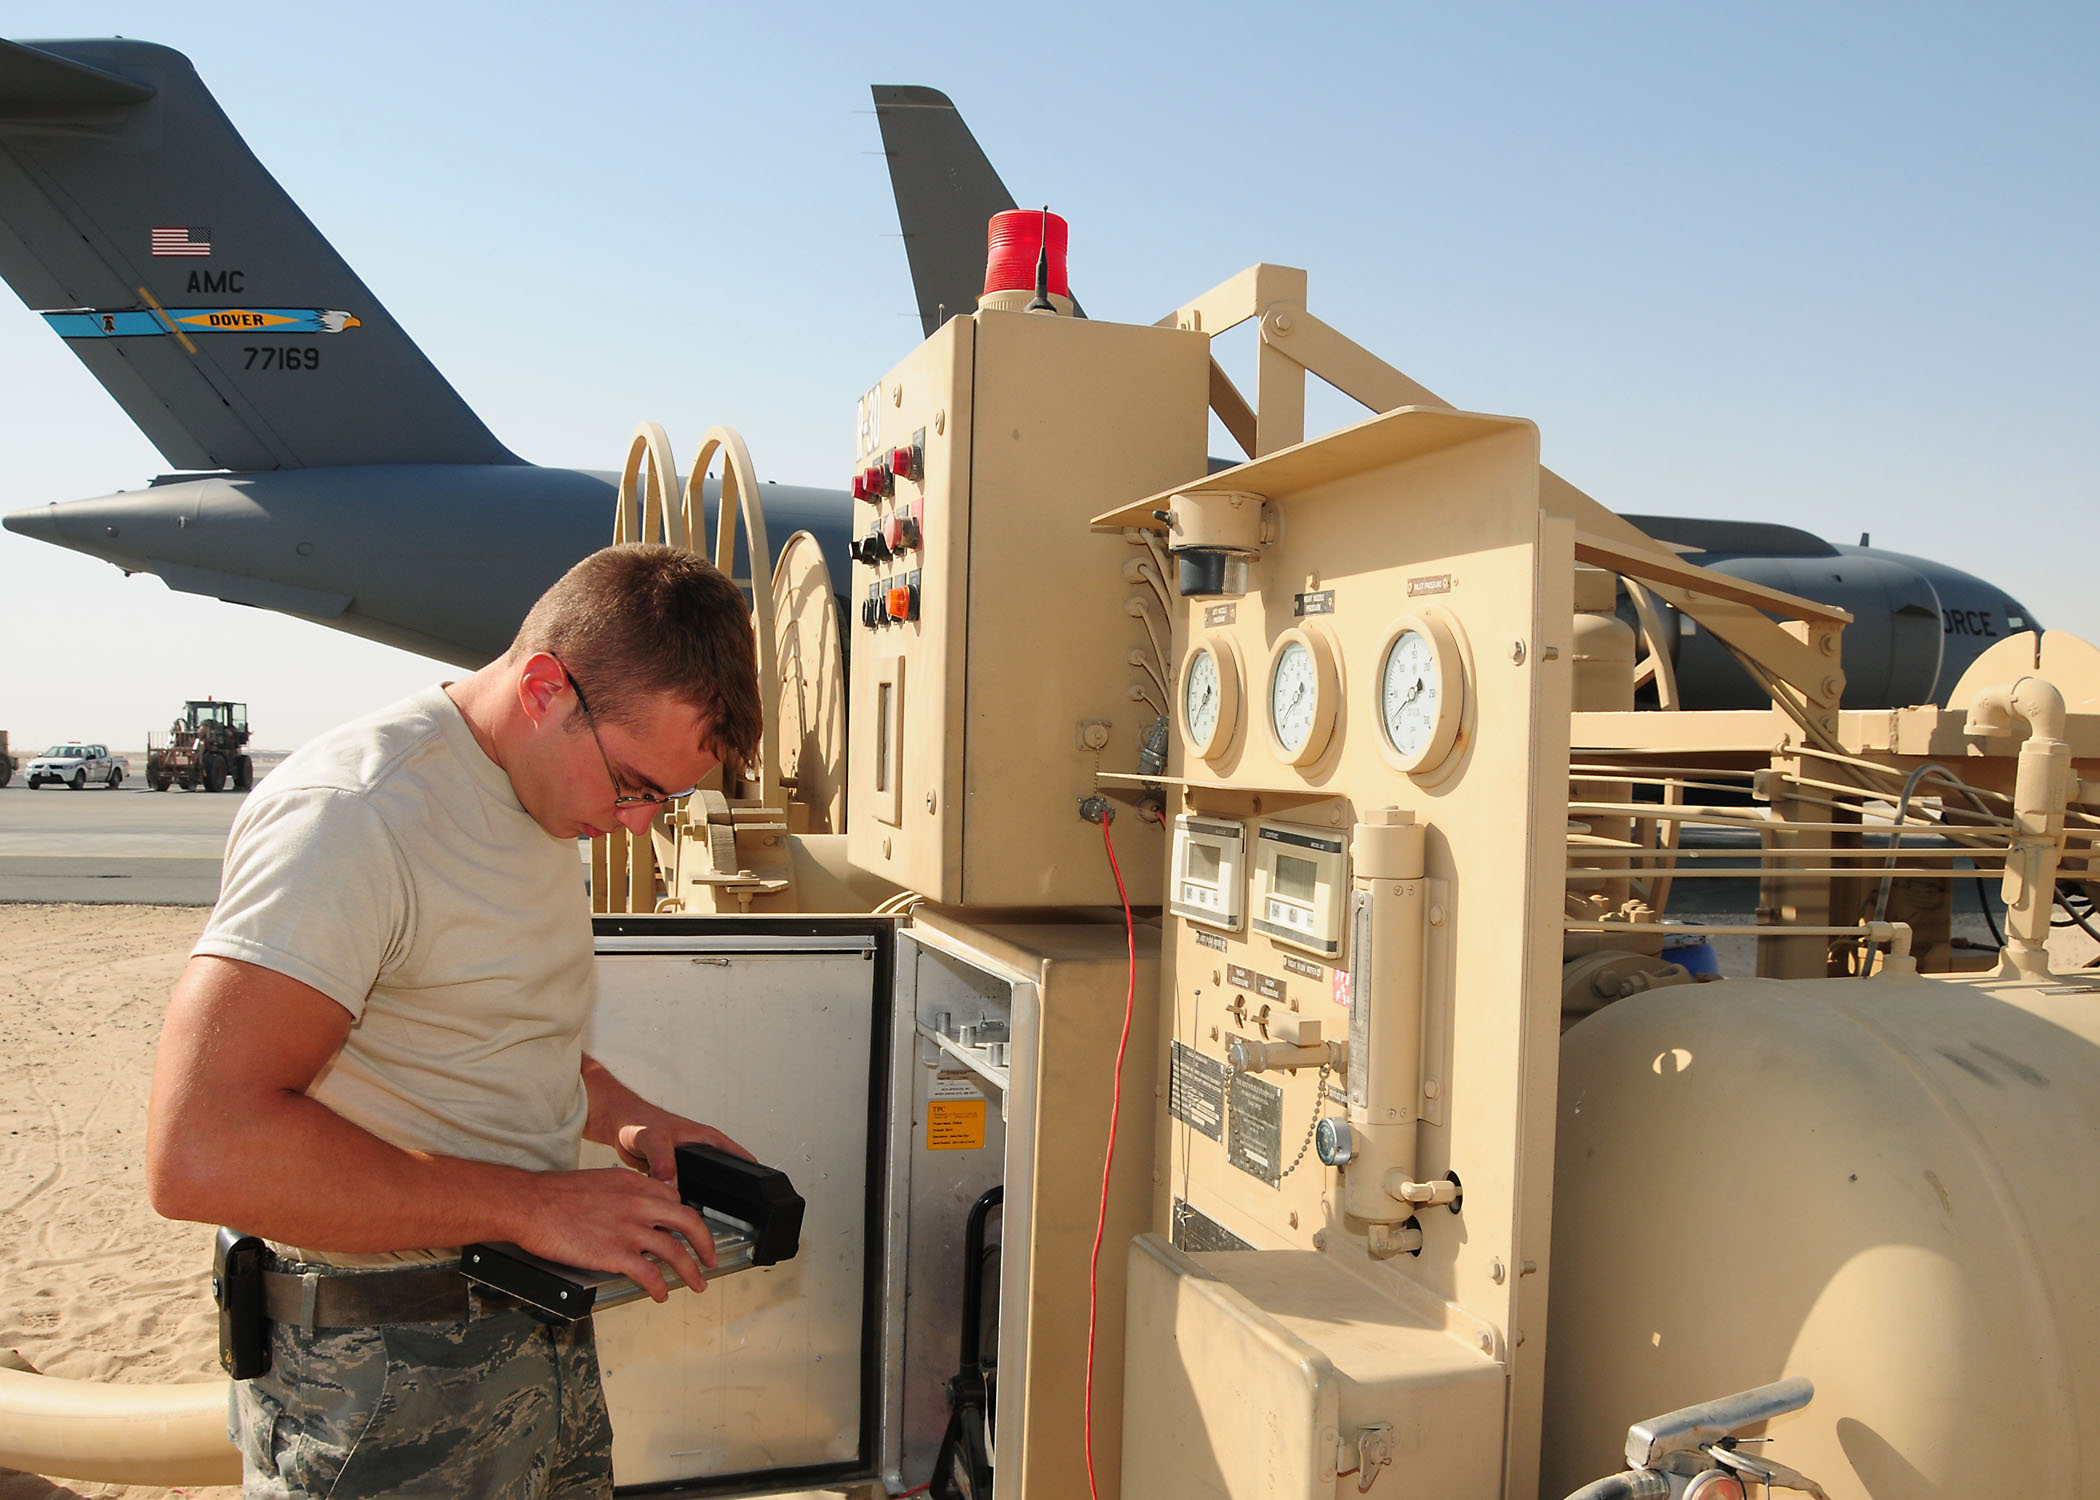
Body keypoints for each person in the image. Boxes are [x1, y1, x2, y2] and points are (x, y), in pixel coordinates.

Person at [146, 544, 765, 1498]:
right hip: (379, 1378)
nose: (640, 823)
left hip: (528, 1335)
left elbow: (495, 1031)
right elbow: (203, 1149)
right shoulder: (357, 816)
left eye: (666, 801)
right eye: (637, 785)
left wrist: (636, 1121)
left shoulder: (542, 793)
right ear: (547, 690)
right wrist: (533, 1205)